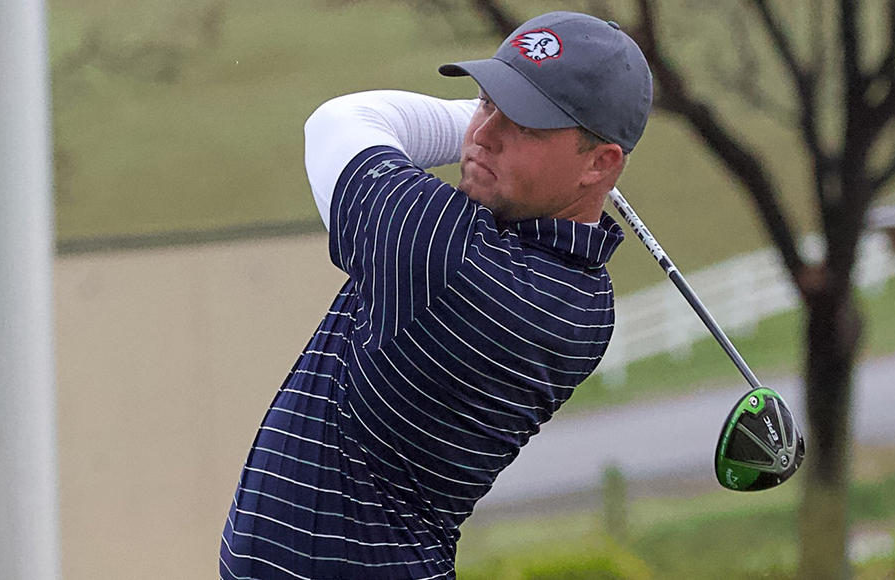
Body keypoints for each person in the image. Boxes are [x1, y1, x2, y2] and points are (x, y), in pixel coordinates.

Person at [220, 11, 652, 580]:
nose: (486, 132)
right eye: (485, 101)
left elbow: (339, 123)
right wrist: (495, 135)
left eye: (526, 124)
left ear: (600, 163)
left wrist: (465, 133)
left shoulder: (450, 261)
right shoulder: (588, 300)